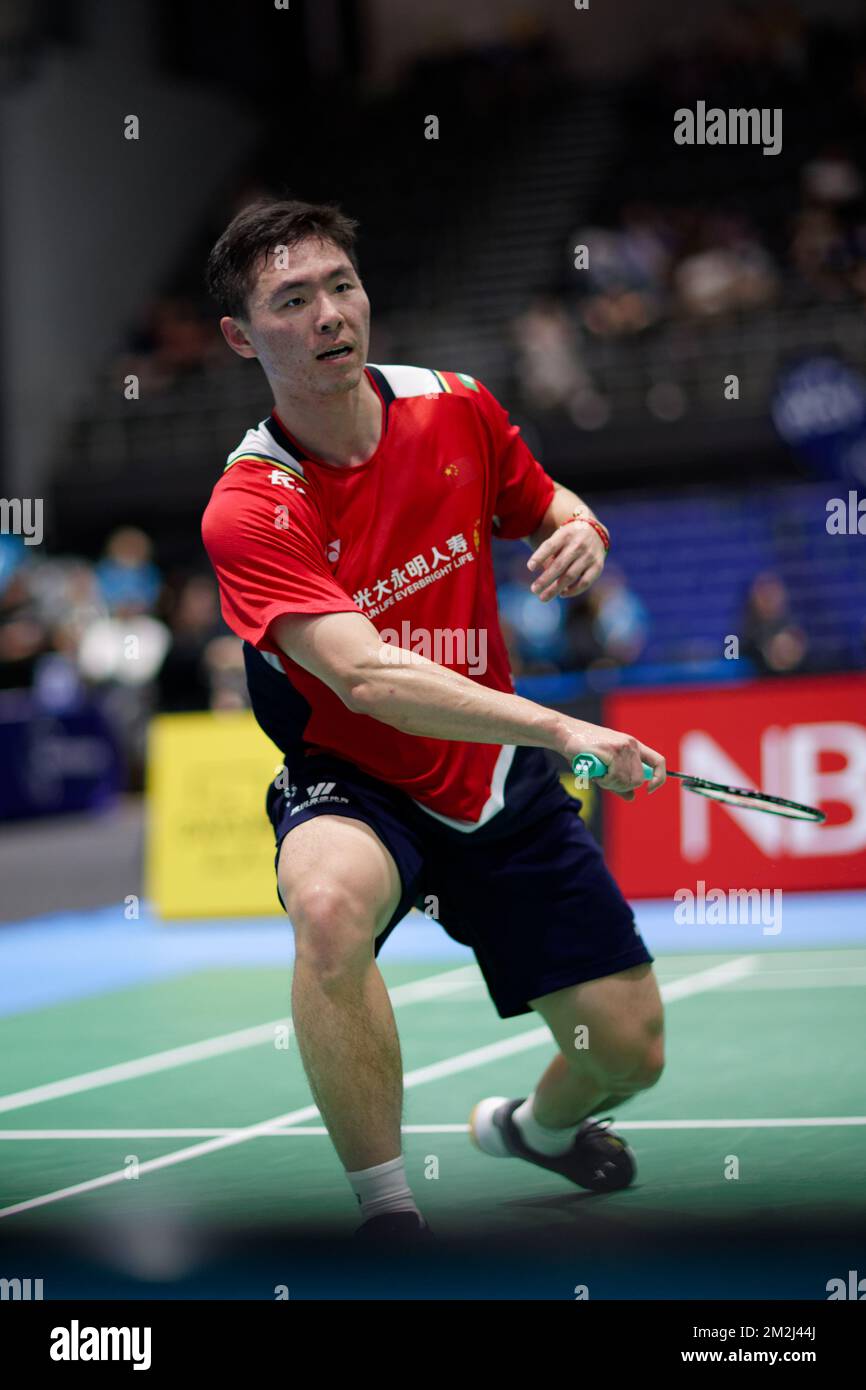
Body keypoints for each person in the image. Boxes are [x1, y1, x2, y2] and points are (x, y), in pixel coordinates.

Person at [201, 198, 667, 1242]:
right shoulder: (252, 504)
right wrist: (560, 728)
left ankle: (537, 1130)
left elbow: (544, 503)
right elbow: (364, 677)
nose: (328, 314)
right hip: (358, 778)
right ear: (241, 336)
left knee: (628, 1051)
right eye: (291, 300)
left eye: (339, 287)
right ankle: (387, 1213)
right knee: (325, 903)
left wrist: (579, 527)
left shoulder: (452, 406)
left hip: (496, 784)